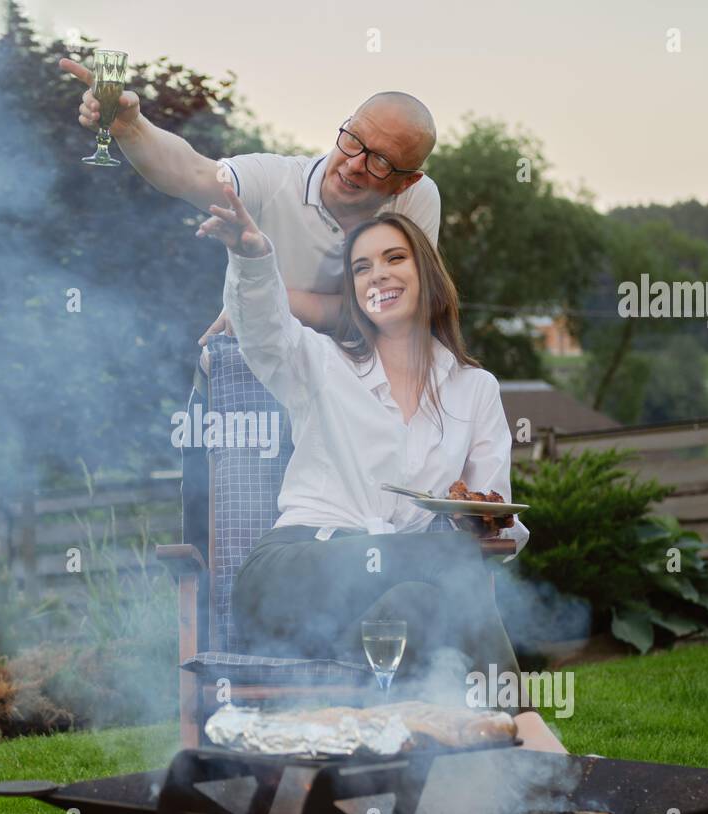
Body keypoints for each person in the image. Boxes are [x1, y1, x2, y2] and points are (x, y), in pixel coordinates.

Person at [196, 182, 568, 755]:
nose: (378, 276)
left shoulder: (475, 391)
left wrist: (485, 524)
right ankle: (527, 730)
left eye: (395, 258)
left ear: (427, 273)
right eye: (362, 268)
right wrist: (252, 256)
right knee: (444, 562)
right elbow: (263, 329)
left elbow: (501, 524)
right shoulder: (319, 363)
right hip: (291, 577)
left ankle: (427, 804)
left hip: (371, 606)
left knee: (416, 608)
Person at [59, 56, 441, 556]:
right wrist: (133, 129)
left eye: (381, 162)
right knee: (216, 549)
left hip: (343, 410)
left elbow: (398, 313)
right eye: (353, 140)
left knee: (337, 553)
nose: (352, 164)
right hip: (243, 392)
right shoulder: (273, 178)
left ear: (404, 181)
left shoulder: (417, 202)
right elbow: (191, 171)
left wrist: (268, 299)